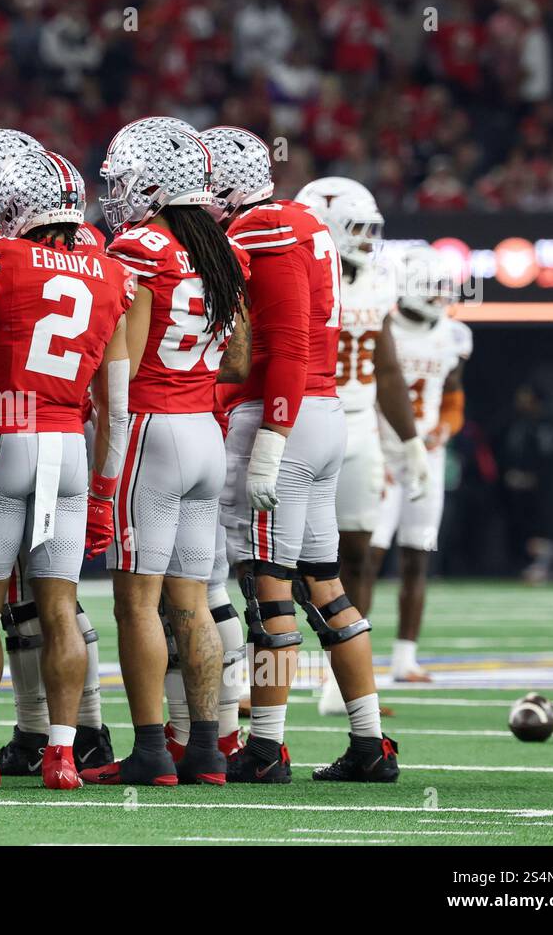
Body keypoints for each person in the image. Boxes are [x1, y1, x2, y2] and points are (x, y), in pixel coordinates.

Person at [200, 124, 398, 784]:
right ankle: (370, 742)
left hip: (282, 416)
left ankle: (267, 745)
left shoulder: (261, 230)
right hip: (324, 413)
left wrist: (270, 441)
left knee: (268, 592)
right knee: (325, 588)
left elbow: (283, 347)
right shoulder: (304, 222)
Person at [0, 149, 131, 790]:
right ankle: (60, 754)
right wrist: (106, 488)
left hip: (0, 438)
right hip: (69, 446)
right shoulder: (109, 272)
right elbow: (115, 399)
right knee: (60, 608)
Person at [85, 120, 248, 786]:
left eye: (124, 178)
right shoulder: (219, 247)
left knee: (137, 600)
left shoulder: (141, 245)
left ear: (154, 181)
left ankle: (152, 749)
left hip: (152, 429)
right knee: (193, 599)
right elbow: (238, 359)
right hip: (205, 430)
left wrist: (102, 468)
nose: (117, 191)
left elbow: (120, 371)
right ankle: (205, 748)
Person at [292, 177, 426, 711]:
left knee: (360, 554)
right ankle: (252, 679)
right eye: (358, 228)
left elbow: (386, 367)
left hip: (360, 424)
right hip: (302, 415)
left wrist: (410, 443)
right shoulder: (294, 272)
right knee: (271, 564)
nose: (369, 240)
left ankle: (338, 682)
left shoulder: (374, 280)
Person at [369, 245, 472, 683]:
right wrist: (373, 448)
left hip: (425, 461)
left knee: (418, 554)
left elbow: (452, 396)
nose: (440, 299)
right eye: (432, 291)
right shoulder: (380, 327)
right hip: (381, 456)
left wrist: (445, 429)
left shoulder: (454, 335)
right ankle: (349, 658)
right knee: (367, 558)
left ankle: (405, 657)